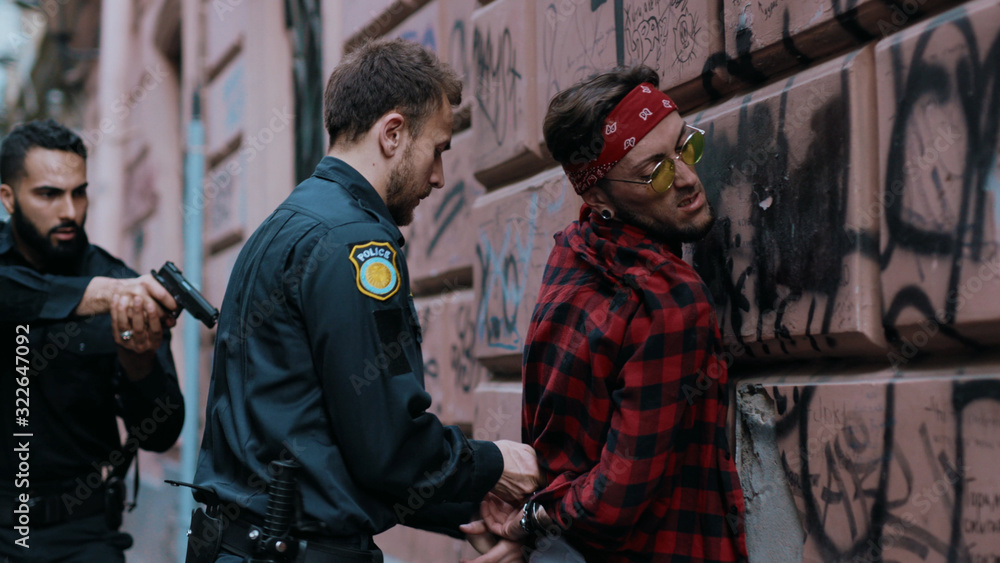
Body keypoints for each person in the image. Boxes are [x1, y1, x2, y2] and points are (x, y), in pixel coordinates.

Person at [190, 39, 540, 562]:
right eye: (438, 149)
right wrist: (495, 465)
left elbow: (336, 444)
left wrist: (472, 505)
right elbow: (386, 446)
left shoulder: (285, 225)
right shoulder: (355, 241)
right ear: (392, 133)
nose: (439, 177)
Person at [463, 66, 749, 562]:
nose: (687, 178)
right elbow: (615, 500)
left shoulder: (570, 255)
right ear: (598, 197)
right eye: (655, 171)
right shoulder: (669, 298)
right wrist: (527, 521)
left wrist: (529, 521)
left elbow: (561, 449)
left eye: (686, 146)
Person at [0, 119, 185, 561]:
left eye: (79, 193)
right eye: (48, 194)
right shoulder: (112, 289)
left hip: (82, 532)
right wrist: (96, 295)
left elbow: (162, 433)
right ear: (8, 197)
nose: (69, 211)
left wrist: (138, 364)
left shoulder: (122, 284)